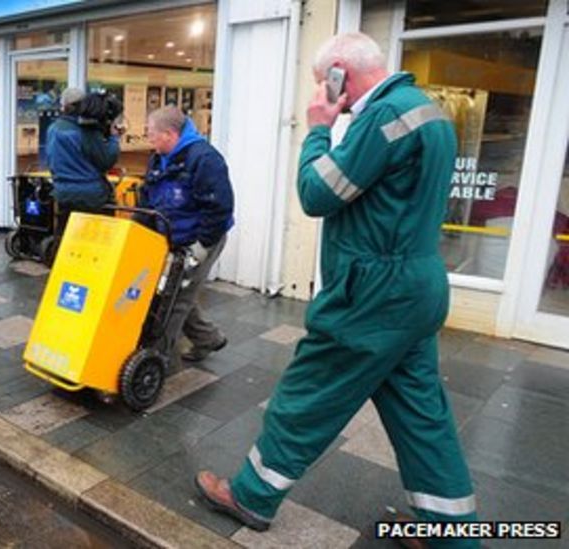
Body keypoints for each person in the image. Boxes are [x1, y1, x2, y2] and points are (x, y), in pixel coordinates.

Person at [194, 33, 478, 546]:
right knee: (422, 417)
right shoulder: (426, 110)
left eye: (322, 79)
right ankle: (451, 534)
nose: (322, 89)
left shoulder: (384, 116)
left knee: (308, 394)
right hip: (418, 287)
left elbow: (318, 192)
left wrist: (319, 129)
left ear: (338, 72)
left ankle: (252, 495)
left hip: (373, 295)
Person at [141, 106, 234, 362]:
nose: (148, 138)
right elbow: (147, 198)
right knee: (177, 289)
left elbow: (220, 207)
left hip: (202, 236)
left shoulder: (205, 159)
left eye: (151, 133)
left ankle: (156, 357)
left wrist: (202, 245)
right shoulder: (159, 158)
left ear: (169, 134)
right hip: (173, 234)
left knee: (176, 297)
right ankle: (208, 339)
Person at [45, 87, 120, 217]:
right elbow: (106, 161)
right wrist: (114, 138)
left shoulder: (53, 129)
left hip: (62, 193)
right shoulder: (86, 132)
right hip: (91, 196)